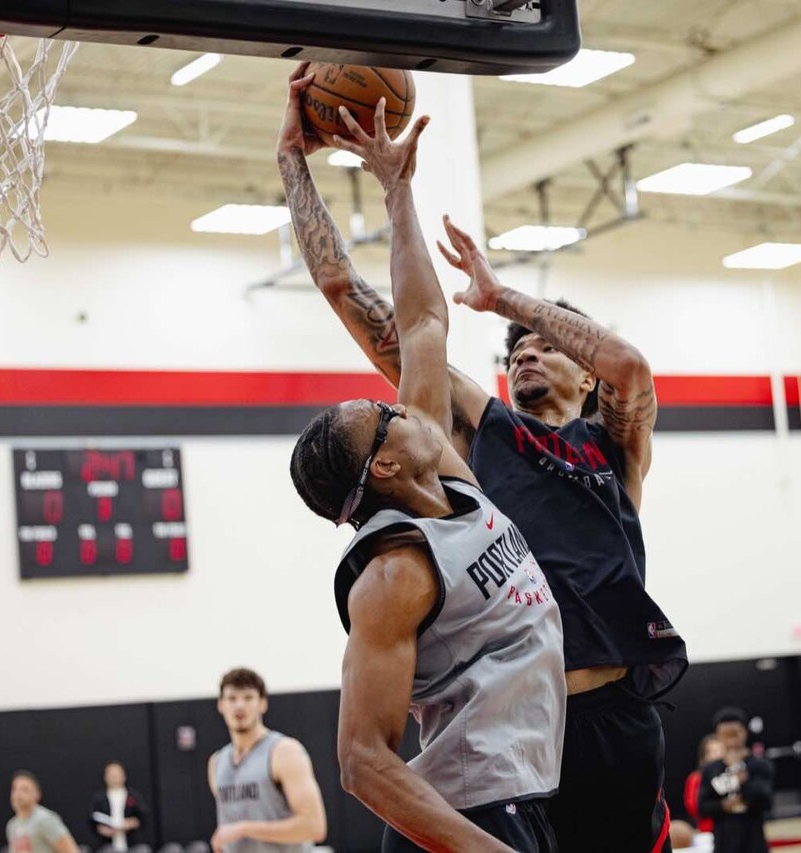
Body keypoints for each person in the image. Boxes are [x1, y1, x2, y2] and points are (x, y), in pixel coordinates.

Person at [279, 60, 687, 853]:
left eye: (547, 346)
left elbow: (629, 366)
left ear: (580, 369)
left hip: (612, 721)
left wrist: (505, 299)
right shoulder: (467, 442)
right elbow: (383, 315)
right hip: (513, 739)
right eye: (517, 348)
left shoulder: (614, 445)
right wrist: (307, 168)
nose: (528, 353)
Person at [285, 87, 565, 853]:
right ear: (382, 460)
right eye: (381, 413)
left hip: (519, 793)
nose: (398, 402)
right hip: (471, 819)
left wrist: (395, 188)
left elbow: (421, 323)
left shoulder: (443, 475)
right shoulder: (394, 573)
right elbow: (360, 761)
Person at [208, 668, 327, 853]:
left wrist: (244, 829)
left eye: (248, 698)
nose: (239, 705)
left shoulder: (284, 751)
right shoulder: (216, 762)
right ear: (221, 705)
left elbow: (314, 827)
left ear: (262, 704)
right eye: (232, 698)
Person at [698, 708, 774, 853]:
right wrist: (723, 805)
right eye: (725, 735)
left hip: (754, 842)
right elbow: (702, 807)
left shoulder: (759, 764)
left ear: (745, 732)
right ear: (718, 736)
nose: (731, 740)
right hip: (724, 844)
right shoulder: (711, 769)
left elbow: (767, 801)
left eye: (735, 734)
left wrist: (744, 781)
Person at [7, 772, 78, 853]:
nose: (18, 794)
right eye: (15, 789)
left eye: (24, 790)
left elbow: (71, 851)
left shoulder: (45, 819)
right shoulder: (12, 825)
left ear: (37, 795)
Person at [89, 761, 148, 852]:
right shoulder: (99, 799)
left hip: (132, 844)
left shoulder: (133, 796)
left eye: (117, 775)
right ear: (105, 777)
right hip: (107, 845)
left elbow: (143, 817)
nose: (115, 778)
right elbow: (93, 820)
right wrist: (103, 830)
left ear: (124, 776)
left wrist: (130, 824)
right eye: (112, 775)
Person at [685, 735, 725, 833]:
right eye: (712, 752)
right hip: (707, 830)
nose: (717, 755)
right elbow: (693, 807)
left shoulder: (733, 774)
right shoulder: (696, 778)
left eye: (720, 750)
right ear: (704, 756)